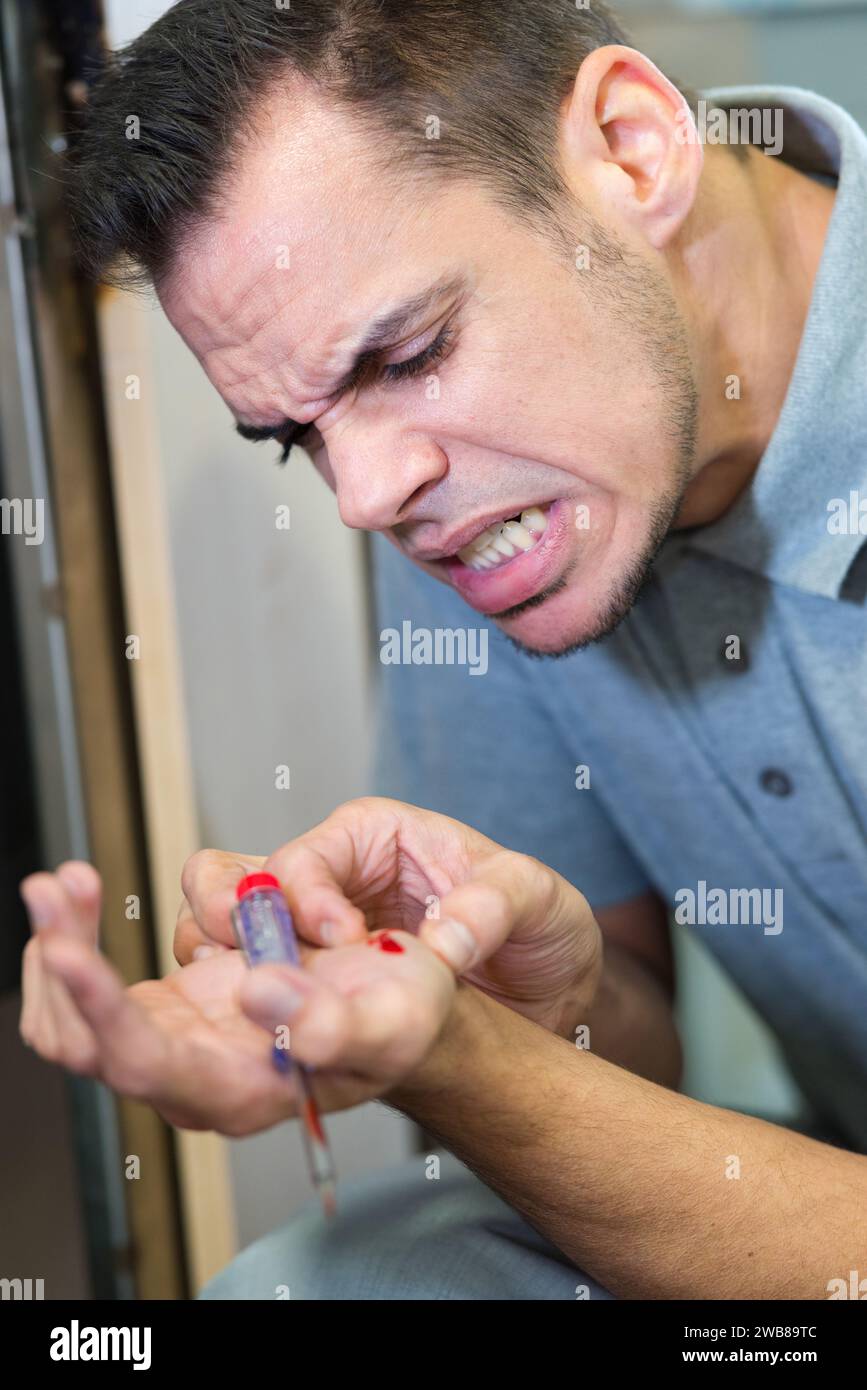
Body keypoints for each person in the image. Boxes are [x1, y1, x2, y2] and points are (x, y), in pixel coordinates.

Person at [20, 0, 867, 1298]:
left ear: (635, 152)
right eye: (296, 432)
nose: (364, 494)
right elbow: (629, 1080)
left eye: (408, 352)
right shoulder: (483, 498)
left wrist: (480, 1070)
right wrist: (499, 1004)